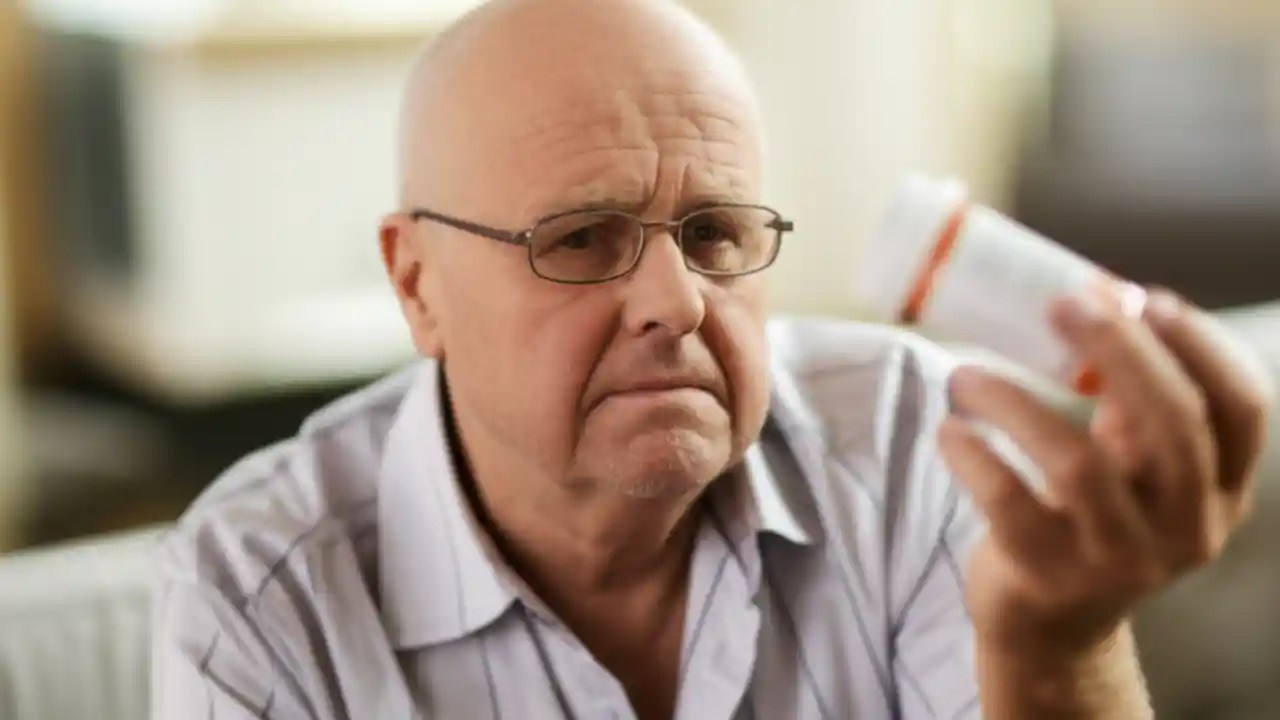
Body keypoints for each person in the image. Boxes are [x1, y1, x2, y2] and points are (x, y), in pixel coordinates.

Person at [150, 0, 1274, 718]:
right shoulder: (260, 591)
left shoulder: (913, 441)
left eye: (715, 234)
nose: (677, 301)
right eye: (580, 240)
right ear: (416, 284)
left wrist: (1054, 648)